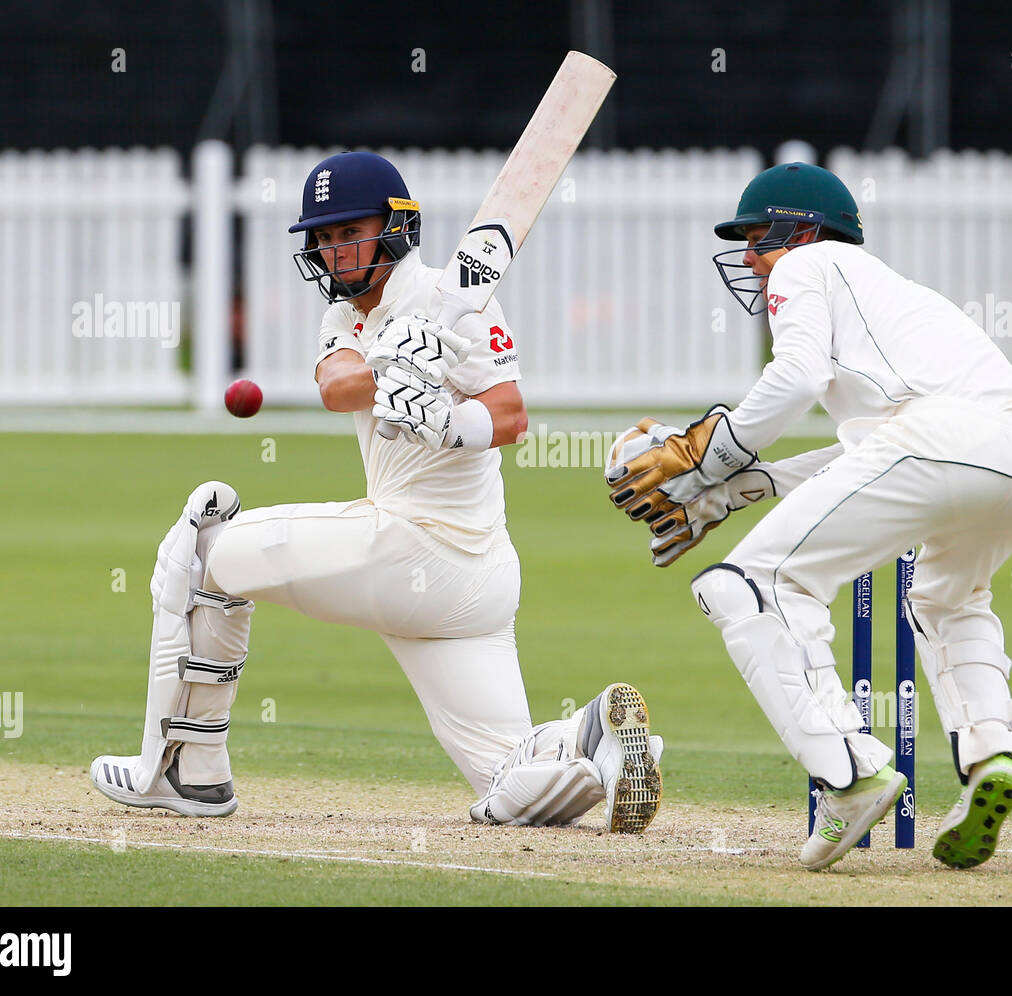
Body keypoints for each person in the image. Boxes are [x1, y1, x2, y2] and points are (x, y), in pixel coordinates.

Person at [90, 151, 662, 834]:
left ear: (395, 228)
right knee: (506, 782)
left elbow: (510, 416)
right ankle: (593, 743)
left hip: (420, 548)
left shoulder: (458, 303)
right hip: (460, 586)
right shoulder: (345, 315)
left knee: (204, 538)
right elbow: (337, 387)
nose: (334, 252)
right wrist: (398, 361)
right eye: (323, 239)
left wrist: (445, 419)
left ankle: (185, 768)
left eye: (348, 232)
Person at [605, 162, 1012, 869]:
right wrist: (725, 492)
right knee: (948, 602)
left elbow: (795, 377)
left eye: (757, 240)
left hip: (938, 448)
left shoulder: (808, 265)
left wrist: (700, 459)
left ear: (801, 229)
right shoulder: (896, 301)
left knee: (751, 585)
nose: (751, 261)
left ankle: (849, 772)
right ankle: (993, 754)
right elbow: (868, 460)